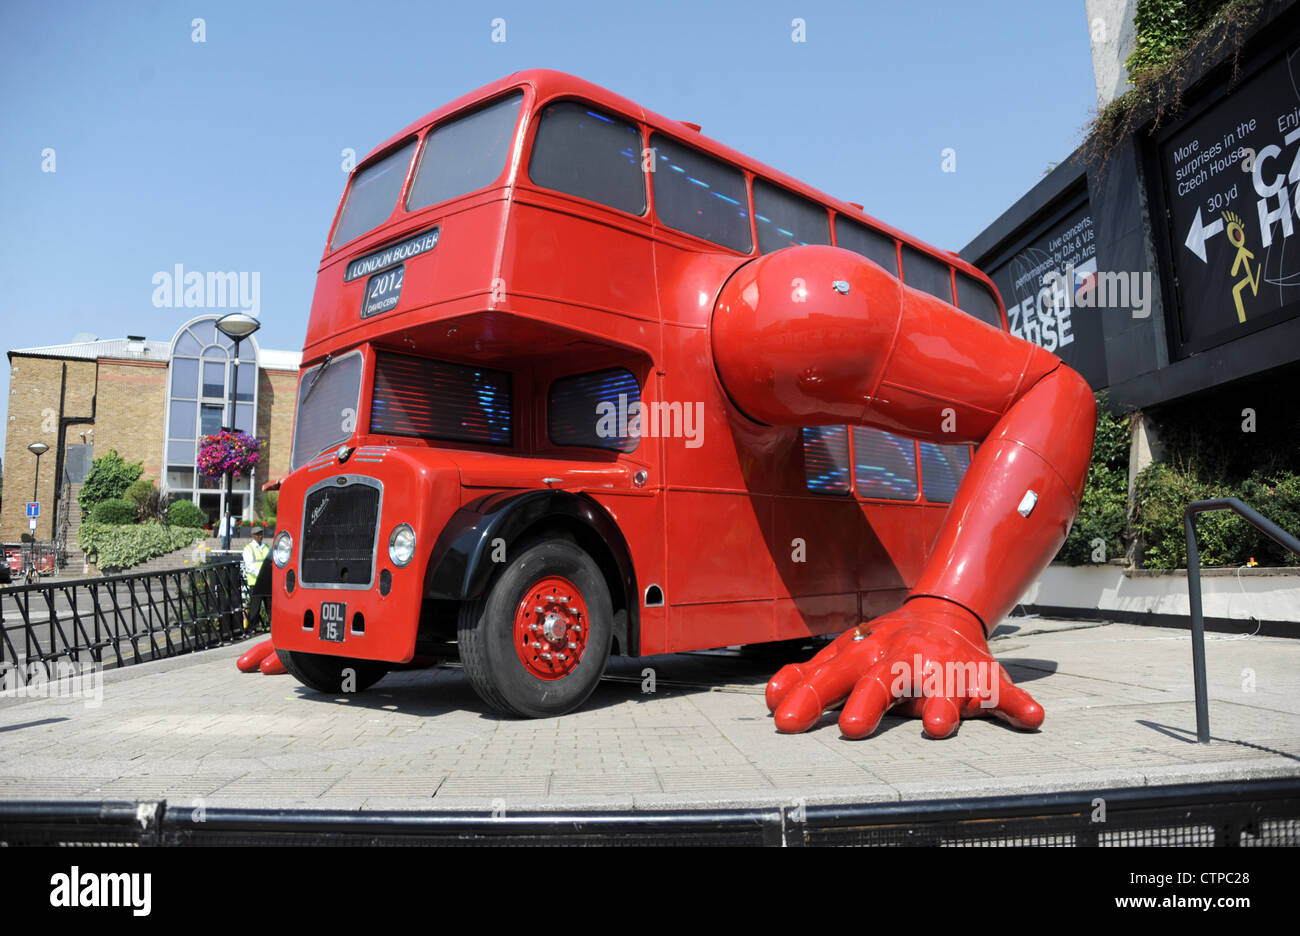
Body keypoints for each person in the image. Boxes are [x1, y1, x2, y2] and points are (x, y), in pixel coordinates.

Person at [241, 527, 271, 632]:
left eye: (261, 534)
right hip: (255, 582)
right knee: (255, 606)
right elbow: (250, 566)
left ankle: (273, 625)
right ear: (253, 536)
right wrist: (262, 575)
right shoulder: (248, 549)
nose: (260, 536)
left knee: (270, 605)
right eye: (257, 534)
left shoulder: (267, 547)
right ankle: (252, 628)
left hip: (267, 581)